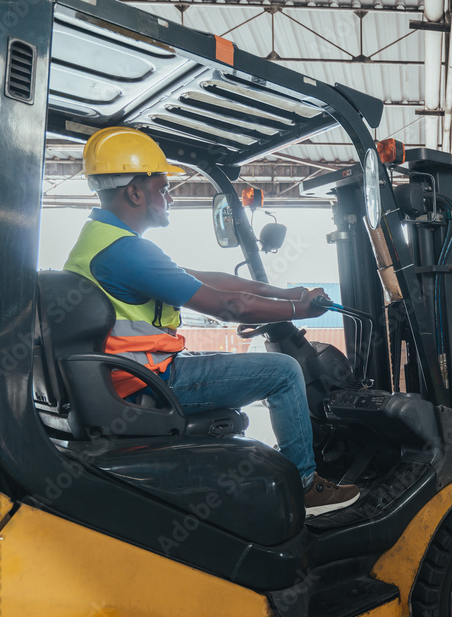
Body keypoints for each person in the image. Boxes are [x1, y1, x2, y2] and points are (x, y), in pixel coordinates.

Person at [64, 126, 359, 517]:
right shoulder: (127, 252)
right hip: (146, 385)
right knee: (285, 371)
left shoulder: (104, 240)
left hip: (124, 379)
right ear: (135, 192)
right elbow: (227, 305)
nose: (168, 196)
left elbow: (210, 280)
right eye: (161, 186)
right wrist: (298, 312)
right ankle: (305, 486)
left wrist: (286, 295)